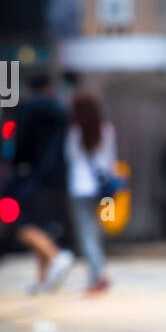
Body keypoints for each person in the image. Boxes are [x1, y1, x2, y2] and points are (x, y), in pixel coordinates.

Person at [7, 73, 74, 293]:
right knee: (42, 225)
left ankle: (57, 256)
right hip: (57, 177)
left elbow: (21, 143)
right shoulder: (60, 112)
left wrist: (16, 163)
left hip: (34, 175)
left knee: (23, 227)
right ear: (48, 88)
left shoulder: (27, 110)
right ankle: (43, 280)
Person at [65, 92, 116, 294]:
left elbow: (69, 157)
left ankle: (95, 277)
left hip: (80, 187)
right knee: (98, 230)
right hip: (104, 188)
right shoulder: (107, 129)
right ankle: (100, 273)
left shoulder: (74, 131)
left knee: (85, 233)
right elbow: (112, 159)